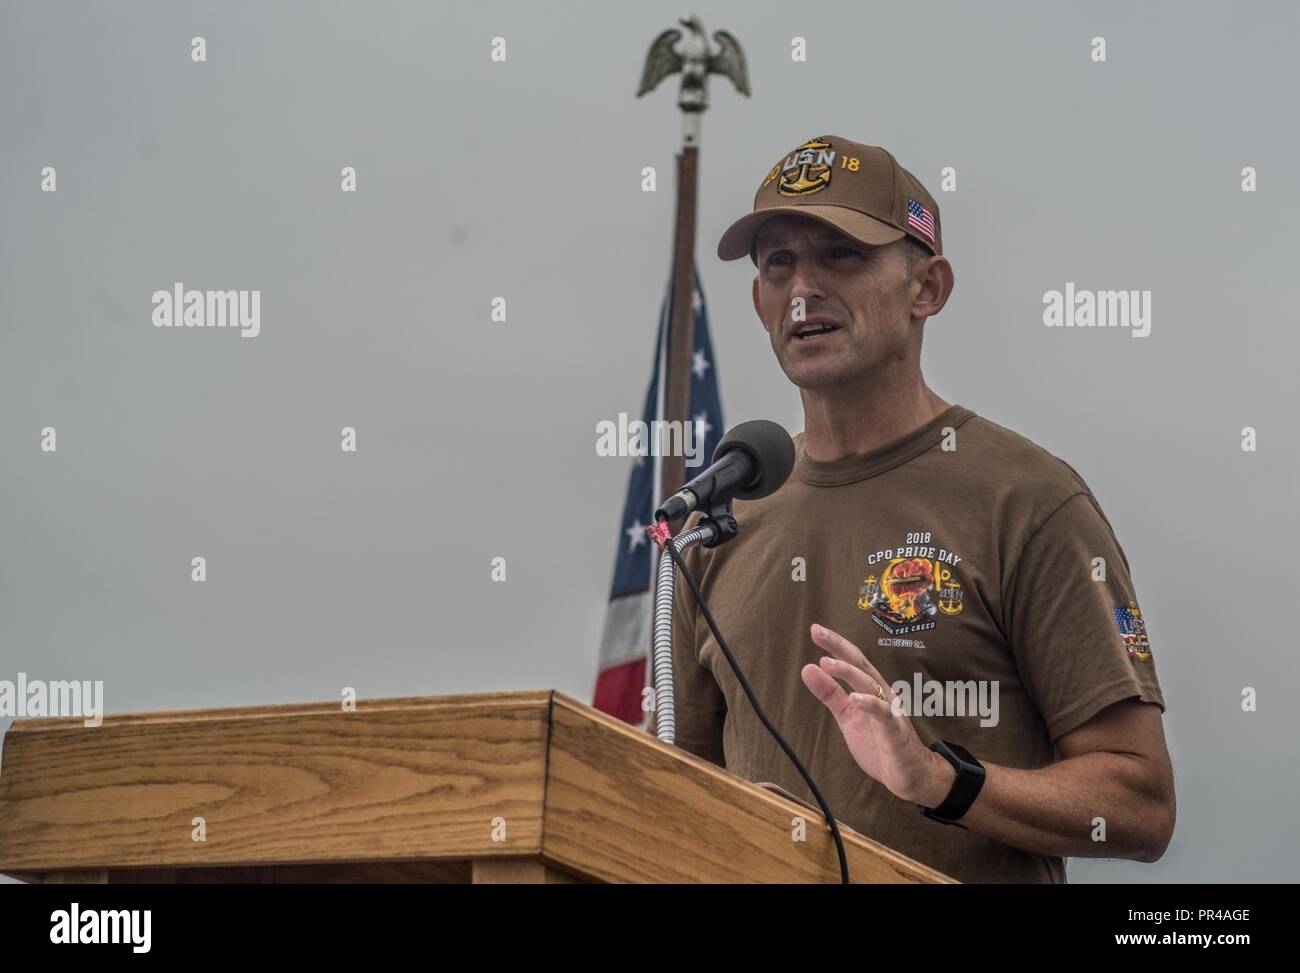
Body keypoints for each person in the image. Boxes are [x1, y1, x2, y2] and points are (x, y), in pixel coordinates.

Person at [669, 134, 1174, 883]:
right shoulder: (717, 521)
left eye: (840, 254)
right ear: (759, 301)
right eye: (780, 262)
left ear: (927, 288)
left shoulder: (1026, 499)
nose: (803, 287)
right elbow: (673, 795)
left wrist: (942, 781)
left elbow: (1141, 802)